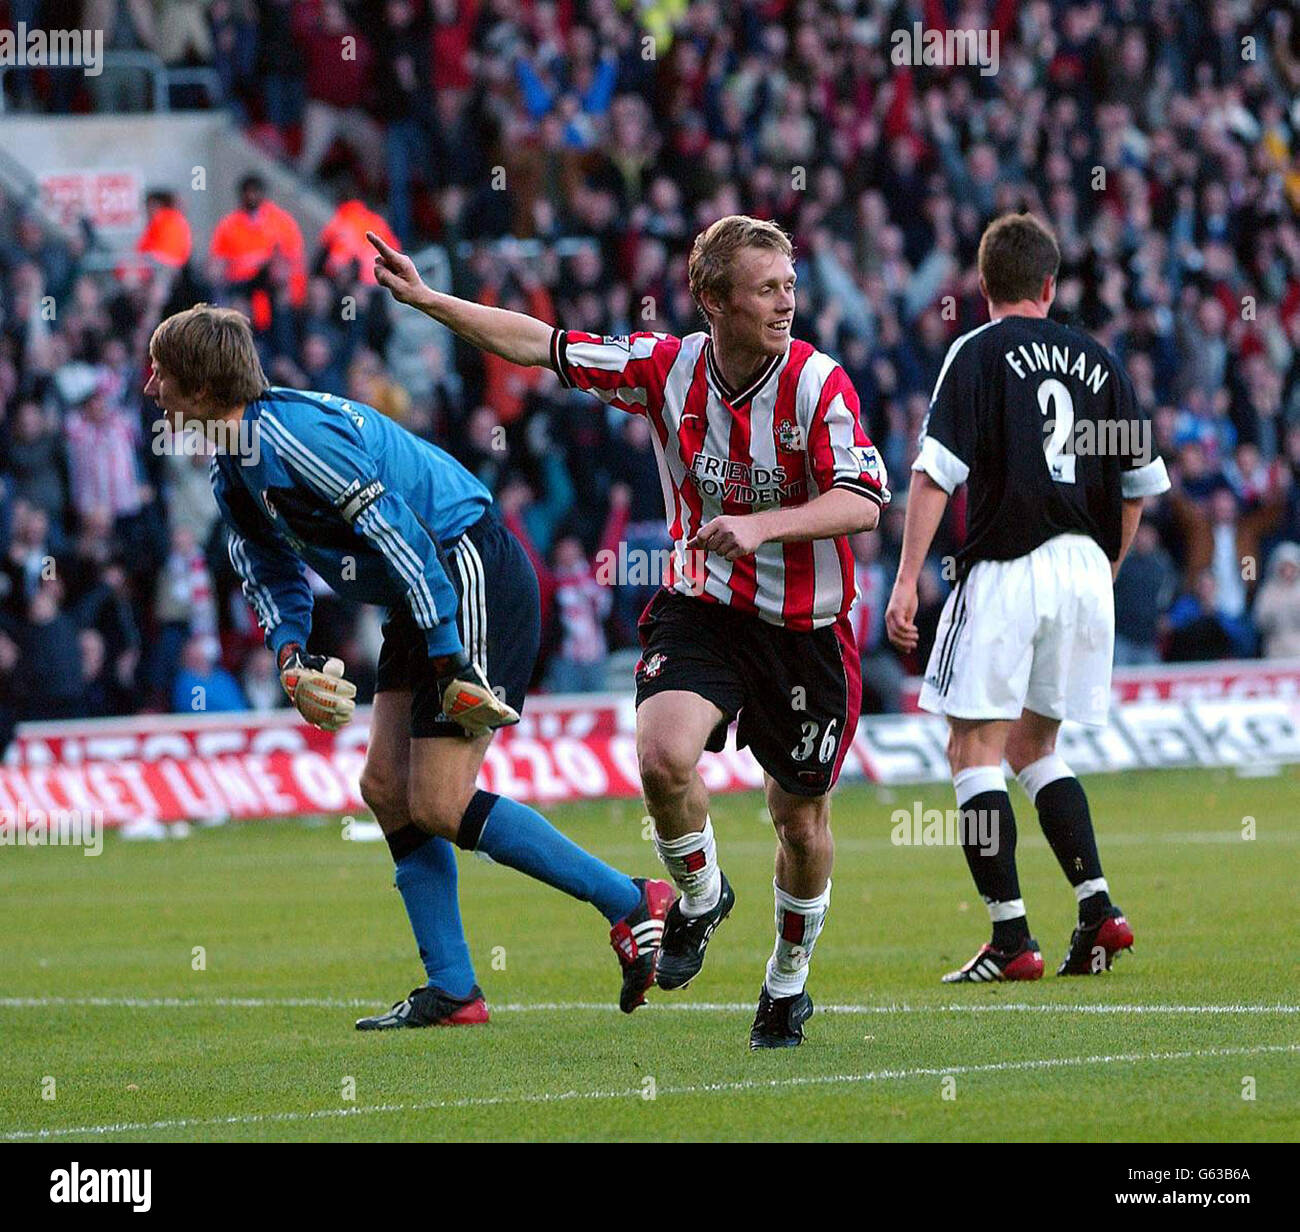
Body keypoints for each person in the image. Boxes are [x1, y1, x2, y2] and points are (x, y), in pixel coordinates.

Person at [370, 215, 890, 1048]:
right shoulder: (664, 366)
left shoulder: (819, 385)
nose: (787, 303)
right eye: (767, 289)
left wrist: (764, 527)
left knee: (798, 824)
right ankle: (701, 894)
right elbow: (542, 344)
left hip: (806, 631)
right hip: (705, 608)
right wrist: (433, 302)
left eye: (790, 286)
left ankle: (788, 980)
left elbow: (865, 501)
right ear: (713, 300)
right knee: (660, 754)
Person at [143, 304, 671, 1029]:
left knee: (441, 802)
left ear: (201, 391)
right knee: (387, 787)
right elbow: (267, 568)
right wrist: (291, 656)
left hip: (464, 566)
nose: (150, 388)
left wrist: (450, 656)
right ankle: (454, 989)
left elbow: (403, 538)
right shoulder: (234, 465)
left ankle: (631, 900)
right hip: (416, 592)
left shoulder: (291, 438)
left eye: (162, 373)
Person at [885, 213, 1170, 983]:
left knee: (972, 750)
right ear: (1050, 286)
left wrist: (908, 576)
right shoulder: (1100, 359)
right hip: (1084, 566)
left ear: (984, 287)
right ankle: (1097, 907)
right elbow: (1140, 487)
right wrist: (1102, 565)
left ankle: (1011, 938)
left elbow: (934, 470)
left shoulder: (975, 353)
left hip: (1009, 565)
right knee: (1035, 748)